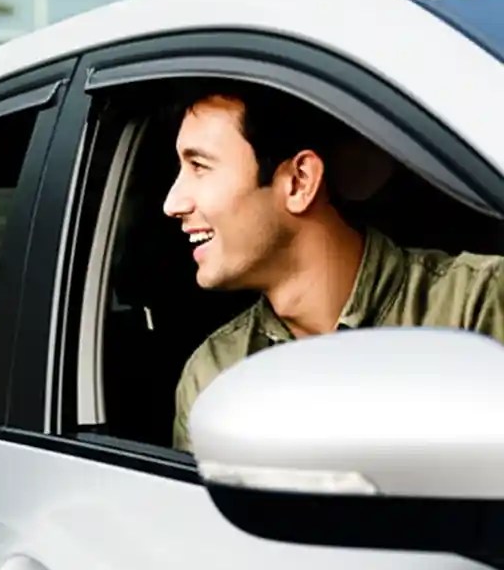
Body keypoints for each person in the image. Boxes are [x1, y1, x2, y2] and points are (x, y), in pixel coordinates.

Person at [163, 80, 504, 452]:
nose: (172, 202)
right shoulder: (214, 377)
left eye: (199, 166)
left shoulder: (477, 306)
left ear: (299, 182)